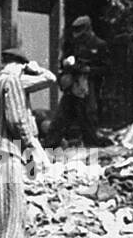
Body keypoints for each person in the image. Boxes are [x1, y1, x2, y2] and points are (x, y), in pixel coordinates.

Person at [0, 48, 54, 238]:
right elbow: (16, 120)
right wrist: (31, 145)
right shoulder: (12, 82)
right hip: (8, 150)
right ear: (20, 66)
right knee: (14, 202)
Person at [46, 16, 108, 148]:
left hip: (89, 87)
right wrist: (67, 66)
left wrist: (89, 69)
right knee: (60, 118)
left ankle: (93, 151)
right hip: (73, 86)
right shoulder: (73, 44)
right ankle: (49, 147)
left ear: (88, 29)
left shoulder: (99, 45)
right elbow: (64, 62)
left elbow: (107, 68)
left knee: (88, 119)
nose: (78, 37)